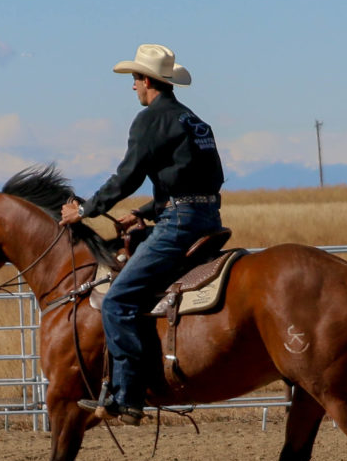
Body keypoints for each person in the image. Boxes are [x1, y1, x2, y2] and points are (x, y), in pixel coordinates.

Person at [58, 44, 225, 424]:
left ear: (147, 80)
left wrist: (84, 210)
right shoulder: (195, 121)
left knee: (117, 301)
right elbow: (201, 181)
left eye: (134, 79)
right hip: (206, 217)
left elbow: (127, 175)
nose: (132, 87)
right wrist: (145, 212)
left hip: (178, 224)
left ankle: (128, 394)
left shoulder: (150, 119)